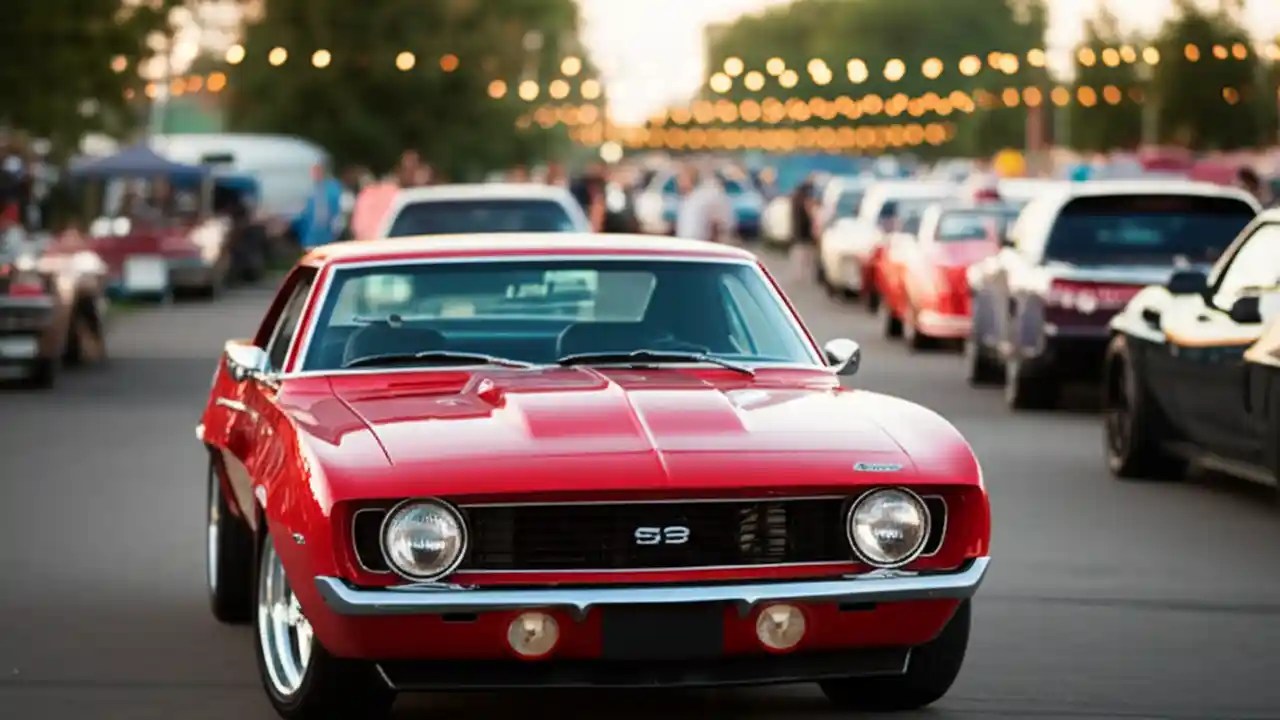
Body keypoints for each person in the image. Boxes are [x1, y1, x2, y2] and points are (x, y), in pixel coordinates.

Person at [674, 166, 733, 243]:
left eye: (682, 179)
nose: (679, 182)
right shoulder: (687, 199)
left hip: (703, 245)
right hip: (687, 244)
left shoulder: (704, 198)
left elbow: (718, 223)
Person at [294, 163, 344, 250]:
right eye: (314, 172)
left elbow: (339, 209)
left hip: (328, 233)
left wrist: (337, 227)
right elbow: (301, 212)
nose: (316, 175)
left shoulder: (333, 188)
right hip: (311, 234)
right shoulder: (308, 190)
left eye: (318, 172)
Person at [789, 175, 818, 279]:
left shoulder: (795, 199)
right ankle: (803, 274)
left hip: (798, 231)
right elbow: (809, 214)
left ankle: (799, 274)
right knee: (805, 253)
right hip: (804, 231)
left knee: (800, 253)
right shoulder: (804, 200)